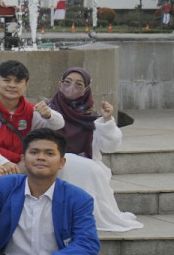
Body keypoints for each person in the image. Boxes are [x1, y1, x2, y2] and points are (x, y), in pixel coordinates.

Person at [46, 67, 142, 232]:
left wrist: (107, 120)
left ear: (86, 89)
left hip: (87, 166)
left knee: (91, 168)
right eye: (67, 83)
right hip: (53, 164)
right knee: (84, 167)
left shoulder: (91, 117)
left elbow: (110, 146)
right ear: (59, 84)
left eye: (78, 84)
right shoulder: (49, 110)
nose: (71, 88)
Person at [0, 60, 64, 174]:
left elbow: (59, 124)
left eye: (18, 81)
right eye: (6, 80)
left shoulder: (31, 110)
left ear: (26, 84)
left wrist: (49, 115)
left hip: (19, 166)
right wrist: (2, 162)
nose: (12, 85)